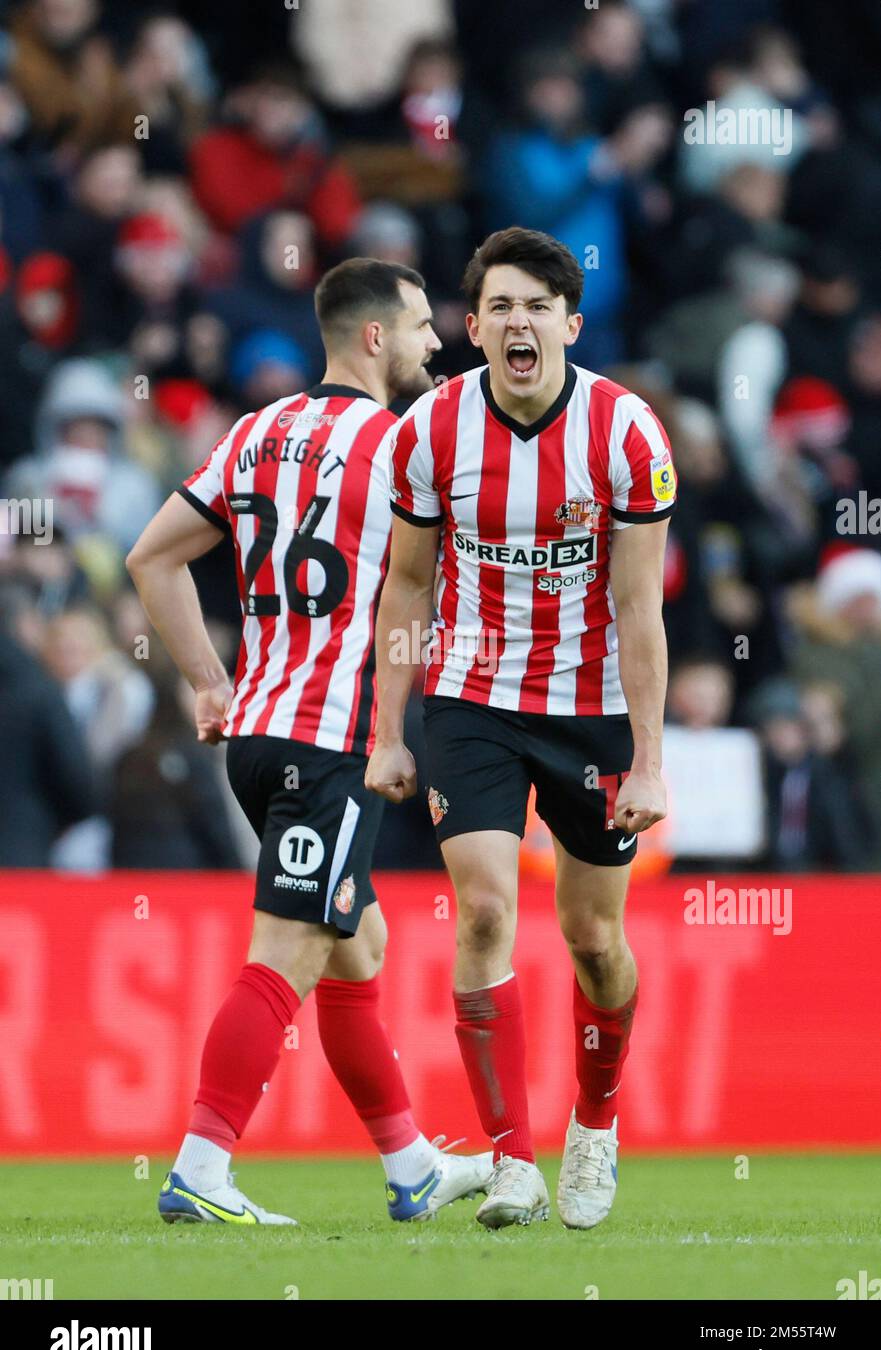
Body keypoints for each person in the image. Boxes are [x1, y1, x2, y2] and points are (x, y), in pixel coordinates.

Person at [126, 257, 492, 1225]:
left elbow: (151, 557)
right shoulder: (405, 447)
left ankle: (410, 1165)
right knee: (287, 952)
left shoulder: (254, 432)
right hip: (328, 744)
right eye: (420, 326)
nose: (433, 342)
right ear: (374, 336)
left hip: (254, 734)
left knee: (356, 945)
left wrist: (211, 681)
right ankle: (201, 1166)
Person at [366, 227, 676, 1229]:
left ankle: (597, 1126)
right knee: (488, 913)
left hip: (588, 708)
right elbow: (407, 582)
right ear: (472, 327)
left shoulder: (627, 433)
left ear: (569, 324)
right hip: (472, 698)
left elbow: (640, 610)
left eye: (537, 305)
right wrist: (388, 731)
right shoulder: (428, 431)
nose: (517, 321)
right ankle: (512, 1161)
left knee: (593, 938)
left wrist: (650, 759)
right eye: (499, 306)